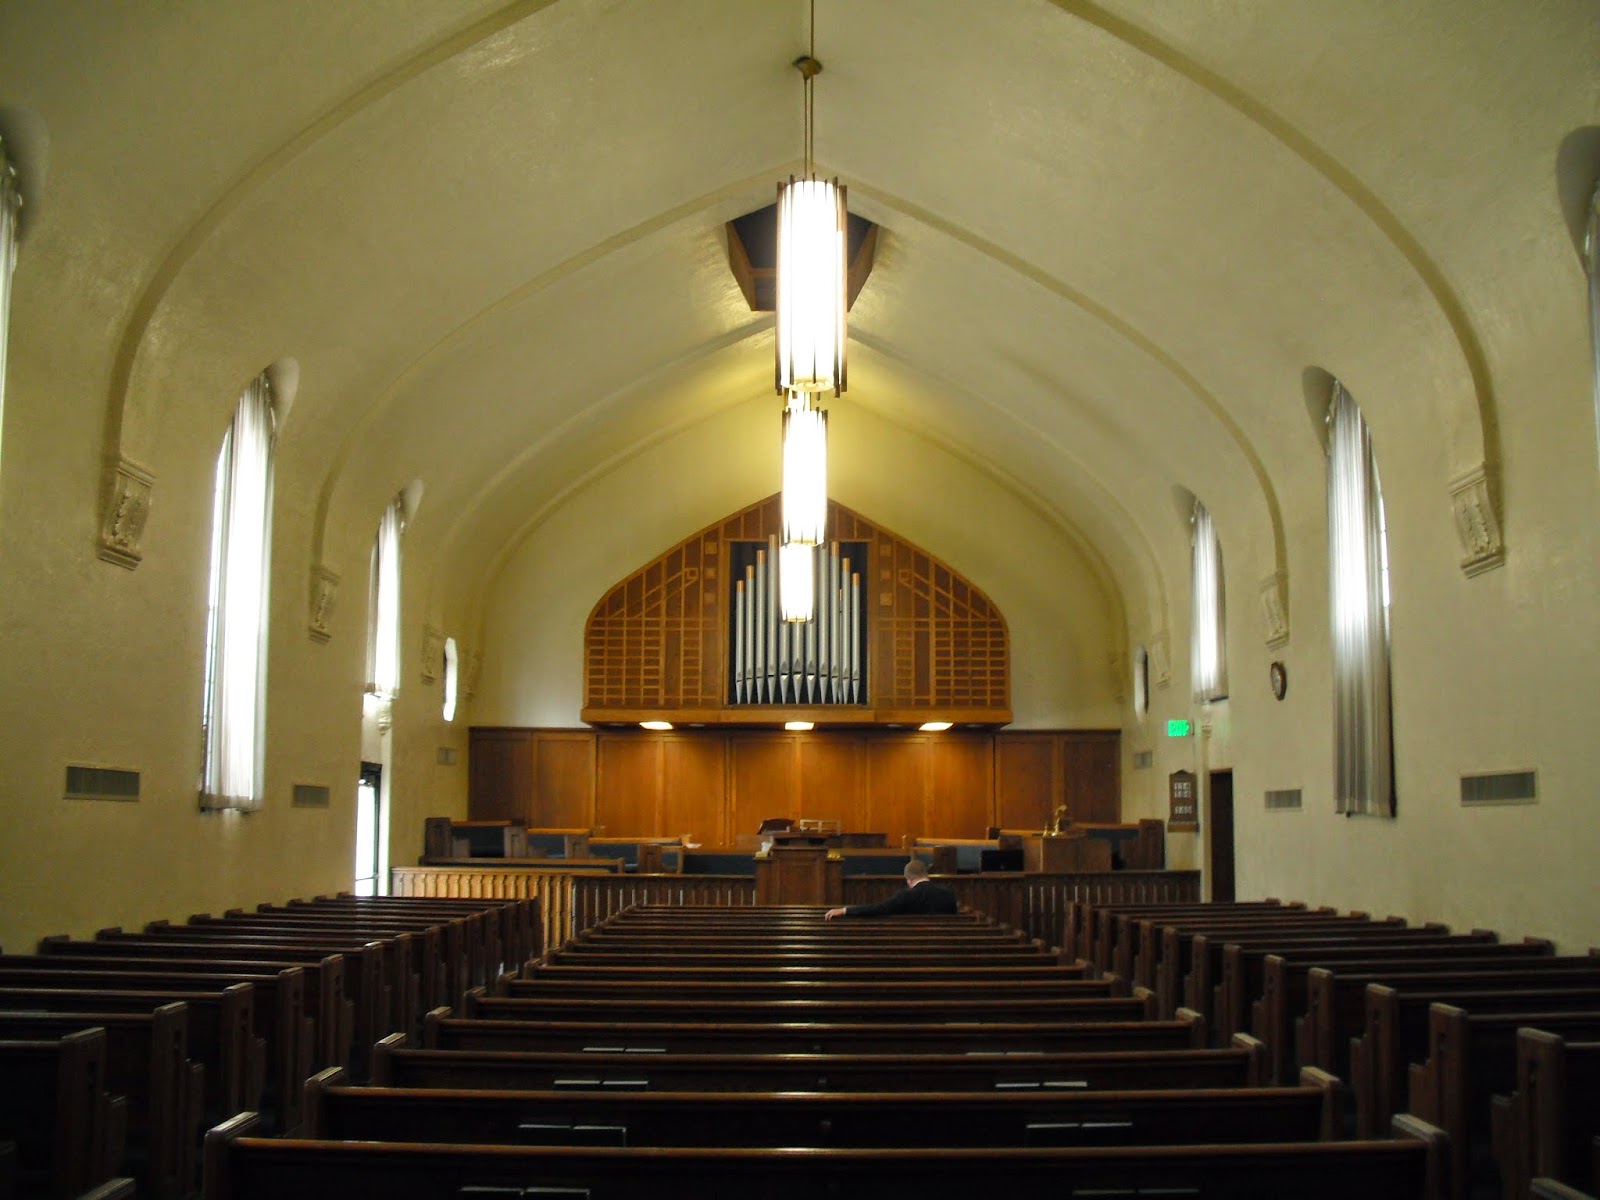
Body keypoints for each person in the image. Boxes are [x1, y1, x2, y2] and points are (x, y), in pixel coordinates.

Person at [824, 858, 958, 919]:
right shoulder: (948, 893)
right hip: (945, 950)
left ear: (908, 879)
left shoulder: (906, 896)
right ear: (926, 874)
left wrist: (844, 910)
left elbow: (878, 908)